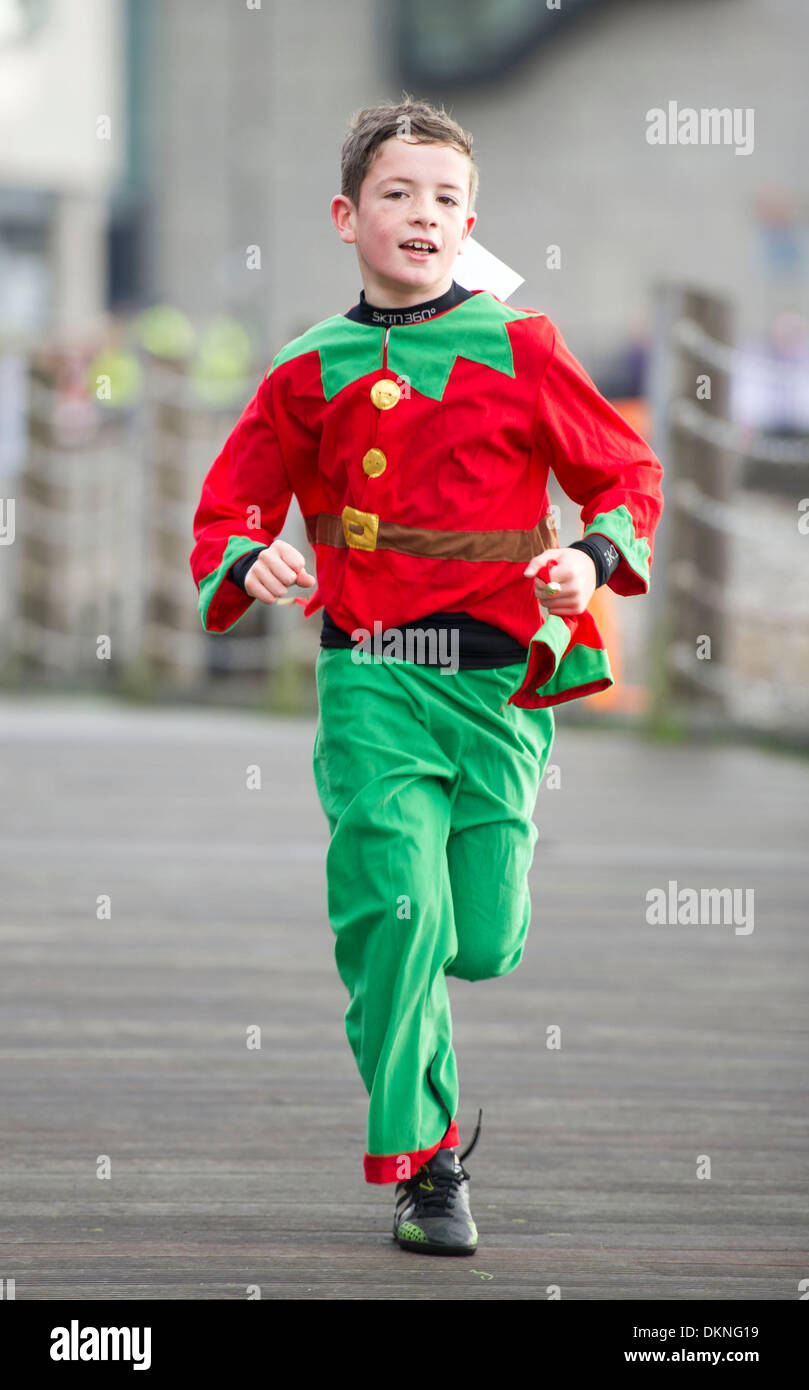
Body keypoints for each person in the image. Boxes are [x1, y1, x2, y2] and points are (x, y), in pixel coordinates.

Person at [189, 96, 664, 1257]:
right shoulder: (305, 370)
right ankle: (427, 1162)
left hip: (496, 687)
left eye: (445, 199)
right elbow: (227, 506)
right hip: (370, 679)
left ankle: (437, 1077)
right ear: (347, 216)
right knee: (395, 913)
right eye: (396, 194)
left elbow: (624, 472)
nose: (421, 214)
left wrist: (588, 556)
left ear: (469, 226)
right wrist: (254, 558)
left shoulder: (522, 346)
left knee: (480, 939)